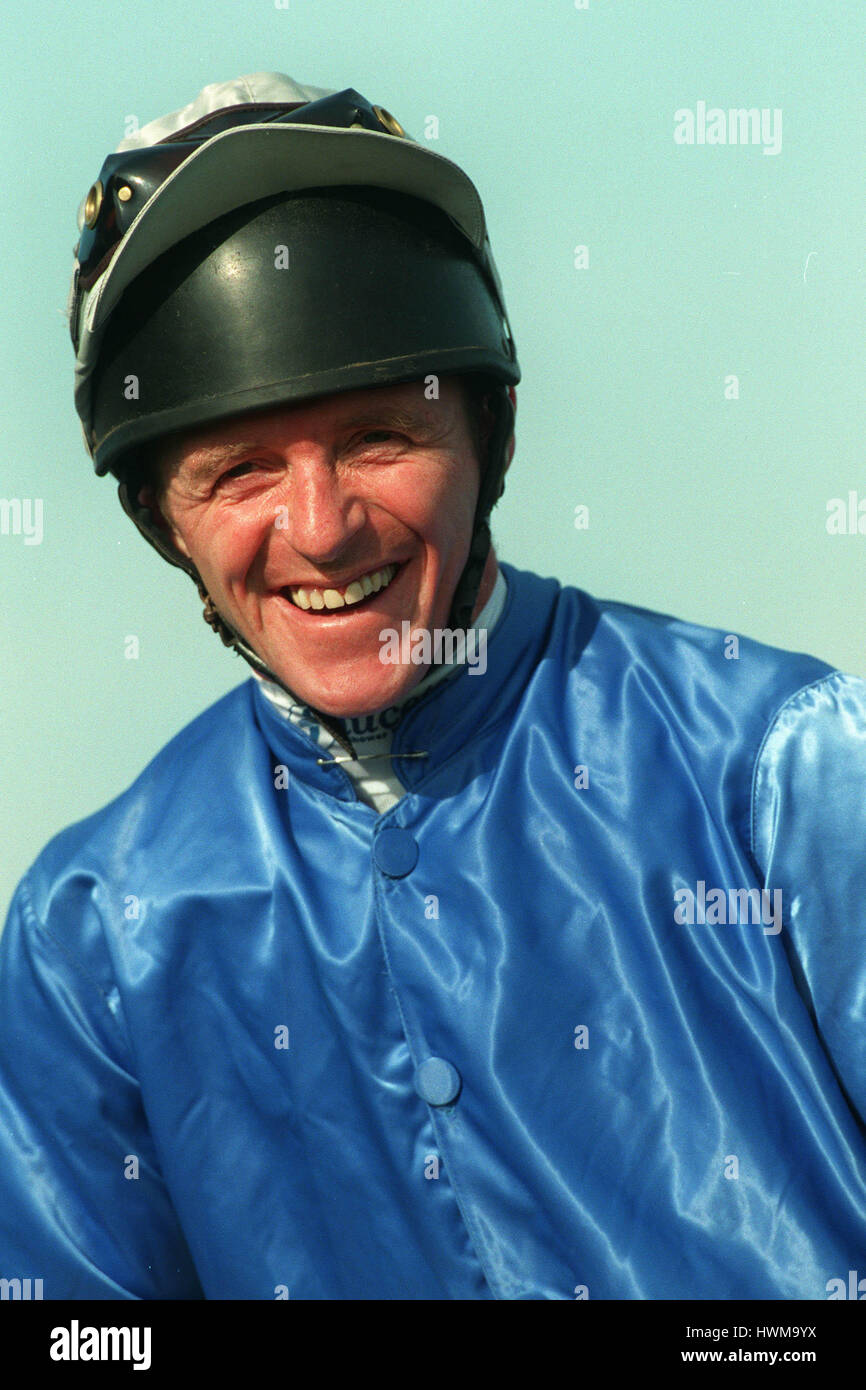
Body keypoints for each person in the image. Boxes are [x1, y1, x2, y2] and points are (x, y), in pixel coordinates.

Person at [1, 70, 865, 1302]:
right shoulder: (88, 933)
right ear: (161, 522)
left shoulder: (785, 768)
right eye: (241, 469)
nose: (320, 526)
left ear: (489, 438)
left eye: (377, 438)